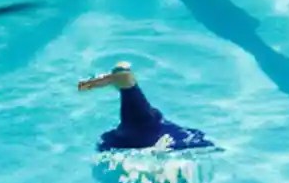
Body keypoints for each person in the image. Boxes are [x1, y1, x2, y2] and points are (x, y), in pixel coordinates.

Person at [79, 62, 214, 152]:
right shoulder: (176, 136)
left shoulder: (127, 134)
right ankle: (118, 77)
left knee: (138, 119)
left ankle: (117, 77)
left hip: (136, 135)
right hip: (146, 134)